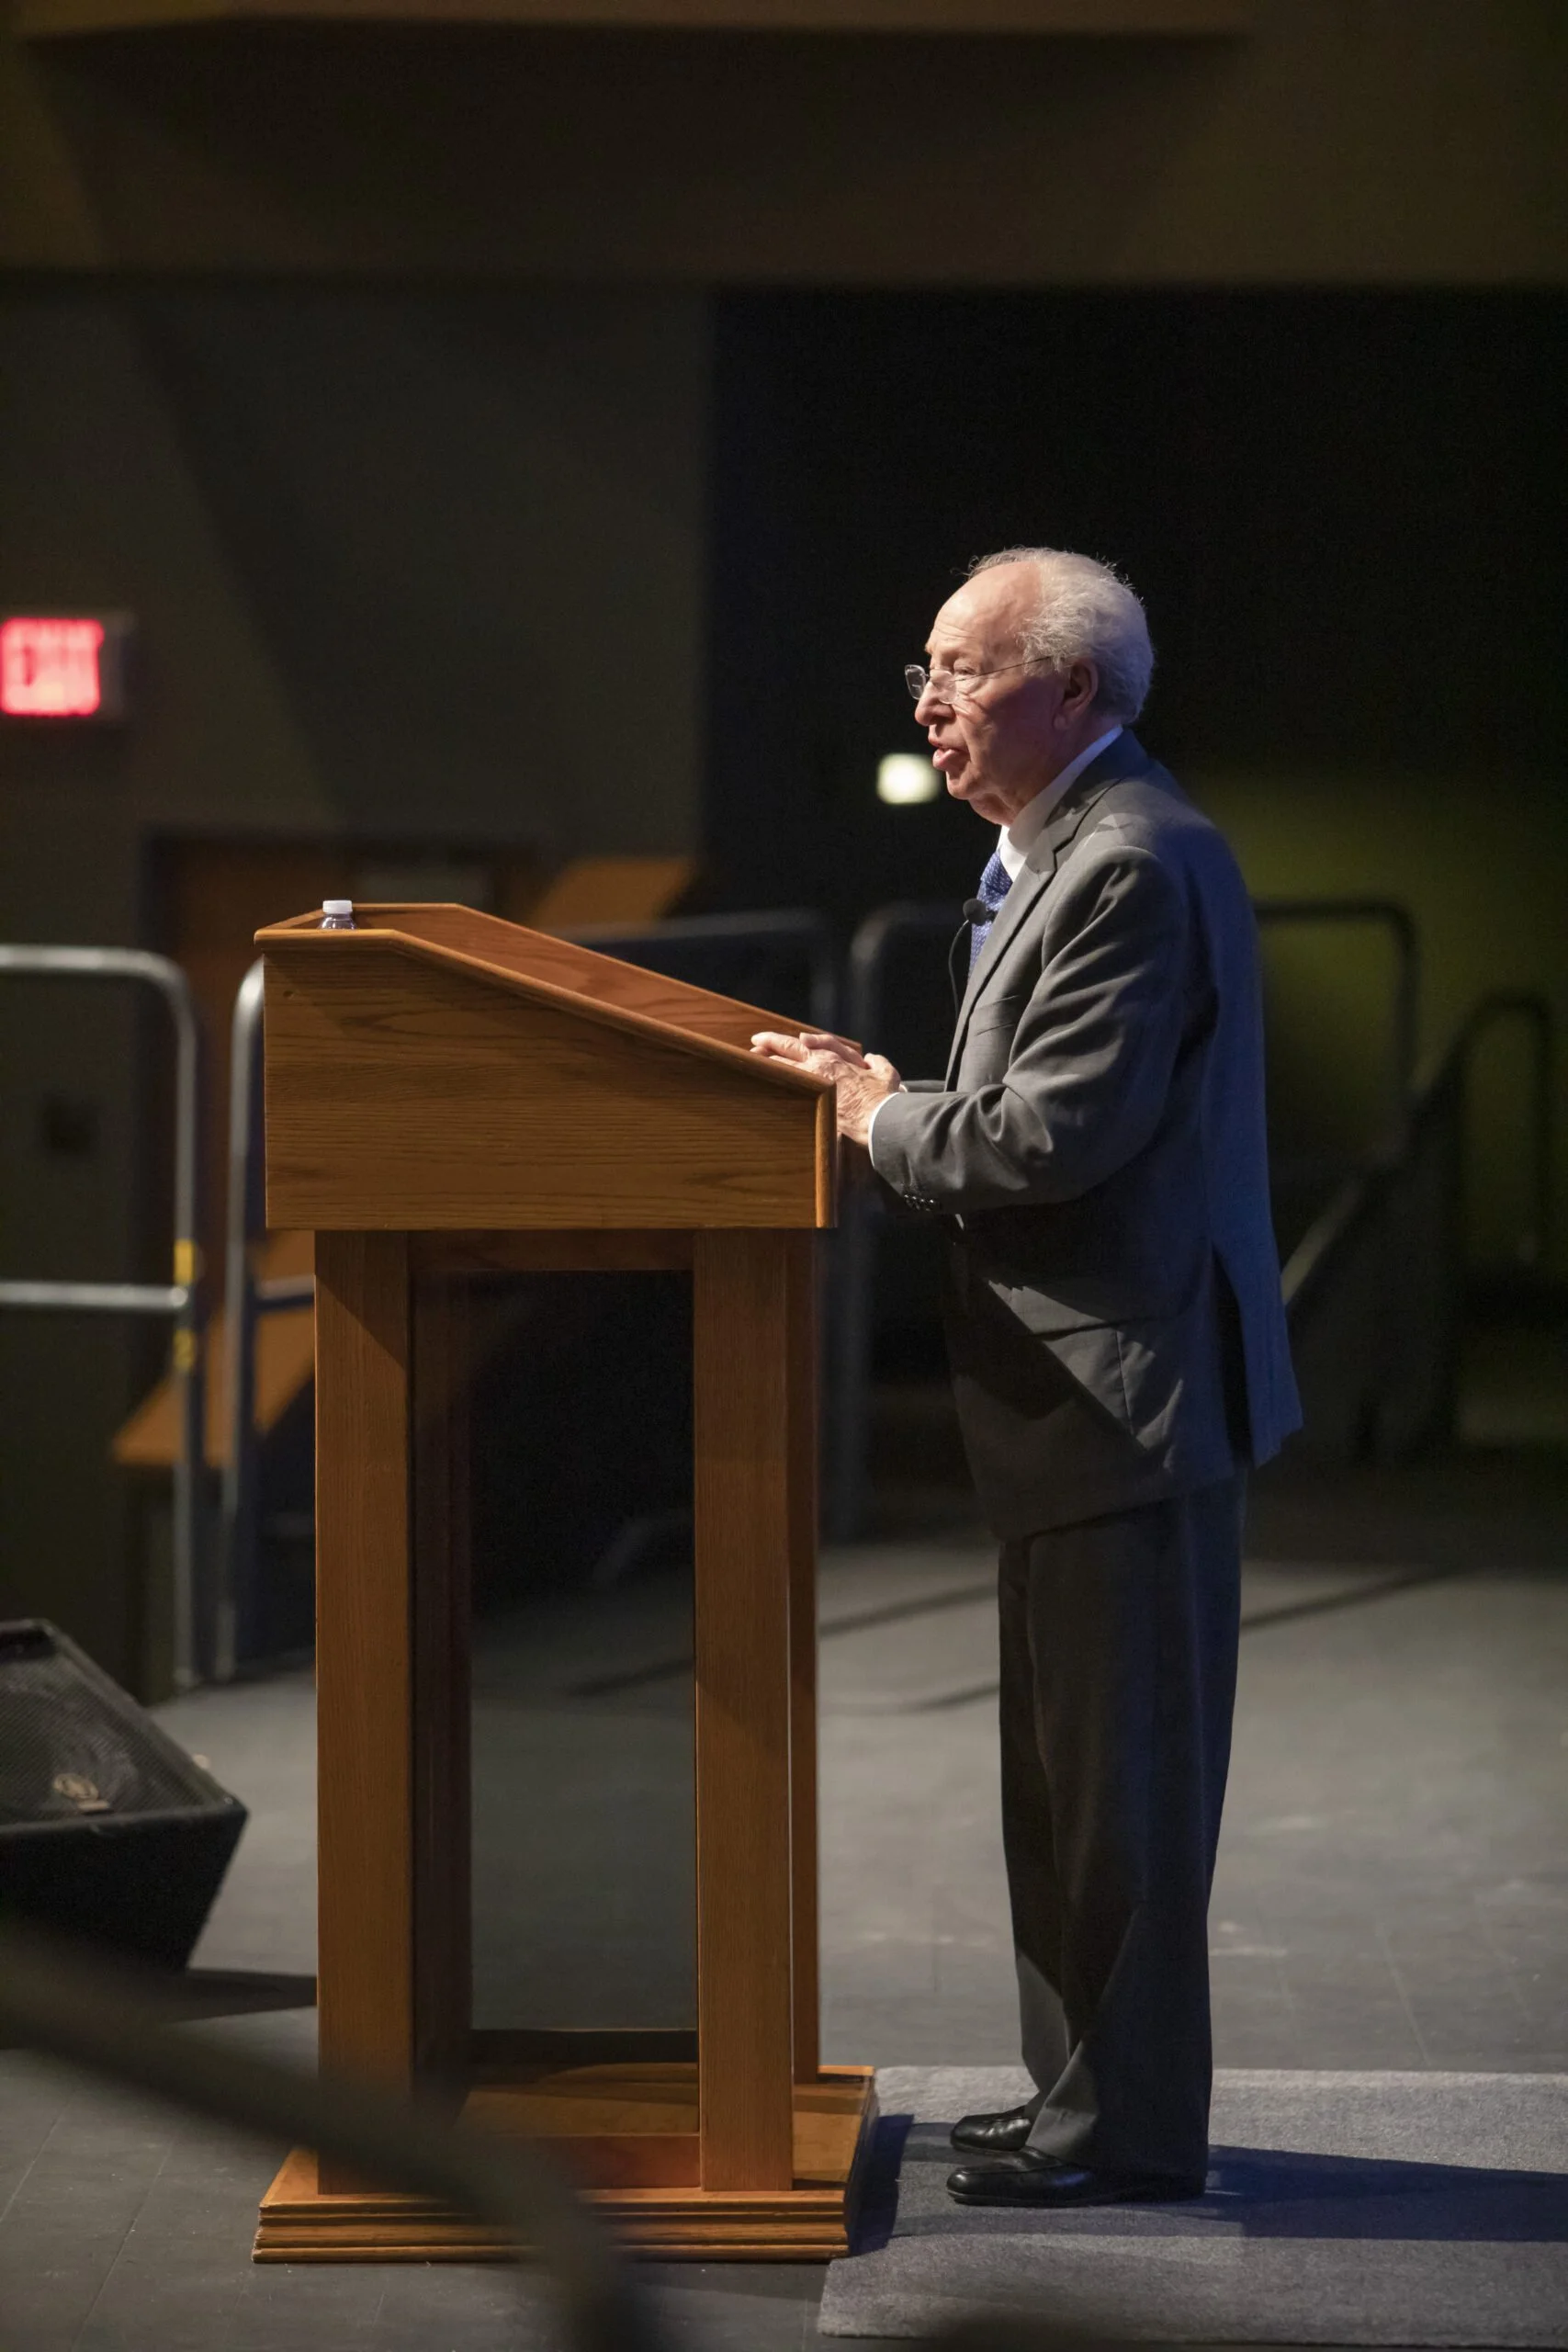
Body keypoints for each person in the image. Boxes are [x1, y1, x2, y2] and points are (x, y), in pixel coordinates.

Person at [752, 547, 1300, 2210]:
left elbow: (1054, 1136)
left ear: (1069, 689)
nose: (930, 700)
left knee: (1117, 1795)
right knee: (1061, 1787)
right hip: (1067, 1401)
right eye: (925, 666)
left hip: (1125, 1401)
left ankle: (1124, 2134)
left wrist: (873, 1115)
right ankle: (1073, 2100)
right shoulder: (1047, 847)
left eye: (965, 670)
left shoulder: (1129, 859)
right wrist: (895, 1095)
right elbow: (1030, 1111)